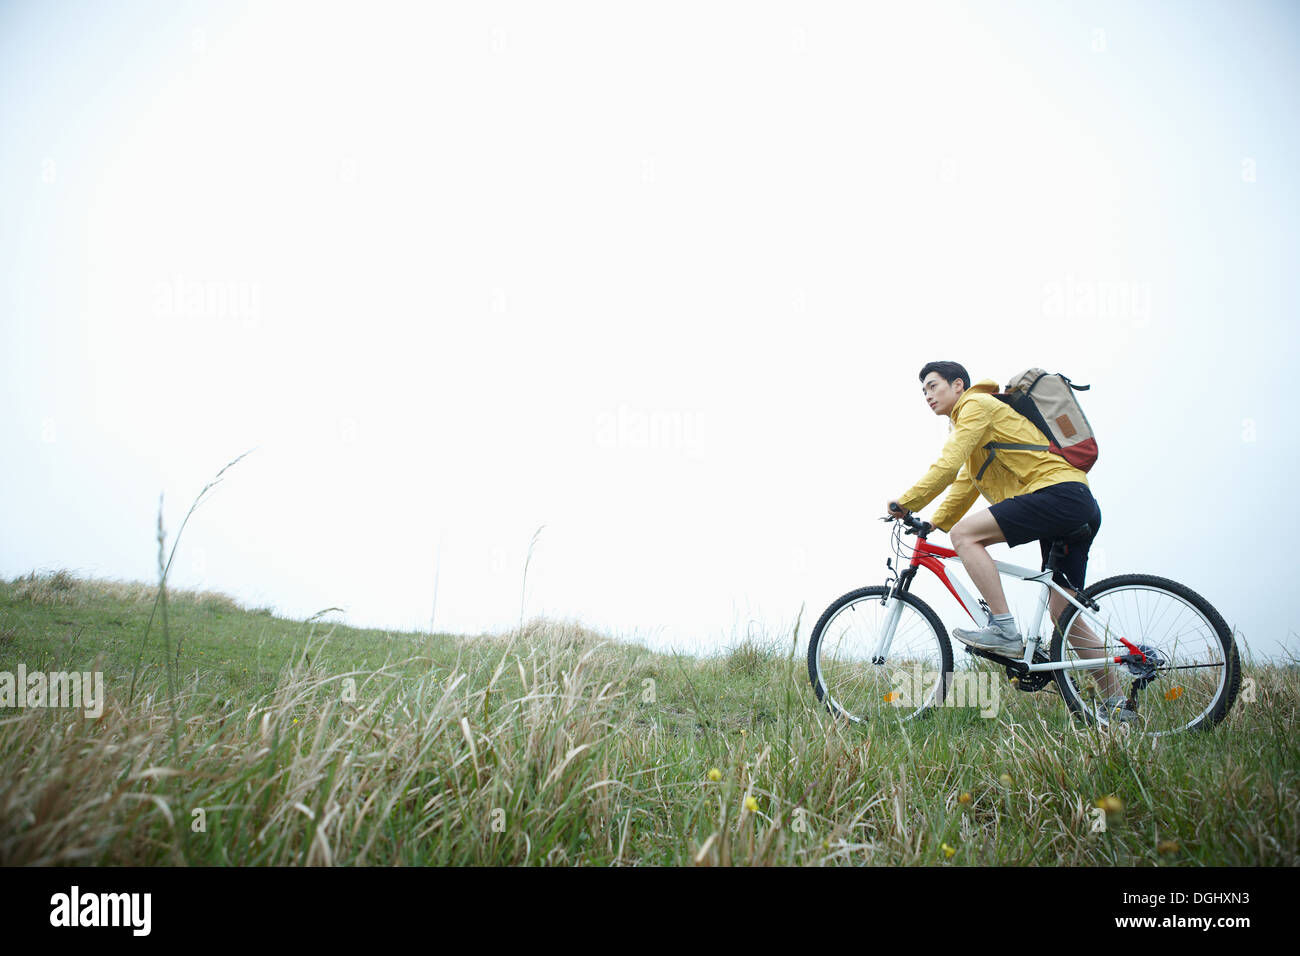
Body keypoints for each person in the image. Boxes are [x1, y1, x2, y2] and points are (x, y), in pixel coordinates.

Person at [885, 361, 1122, 704]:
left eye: (933, 386)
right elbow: (966, 484)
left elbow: (948, 465)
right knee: (1062, 613)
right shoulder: (972, 425)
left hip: (1058, 495)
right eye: (923, 390)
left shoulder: (976, 406)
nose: (927, 395)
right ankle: (1118, 705)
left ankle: (1004, 628)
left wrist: (906, 502)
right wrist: (933, 522)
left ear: (958, 385)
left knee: (965, 537)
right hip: (1073, 503)